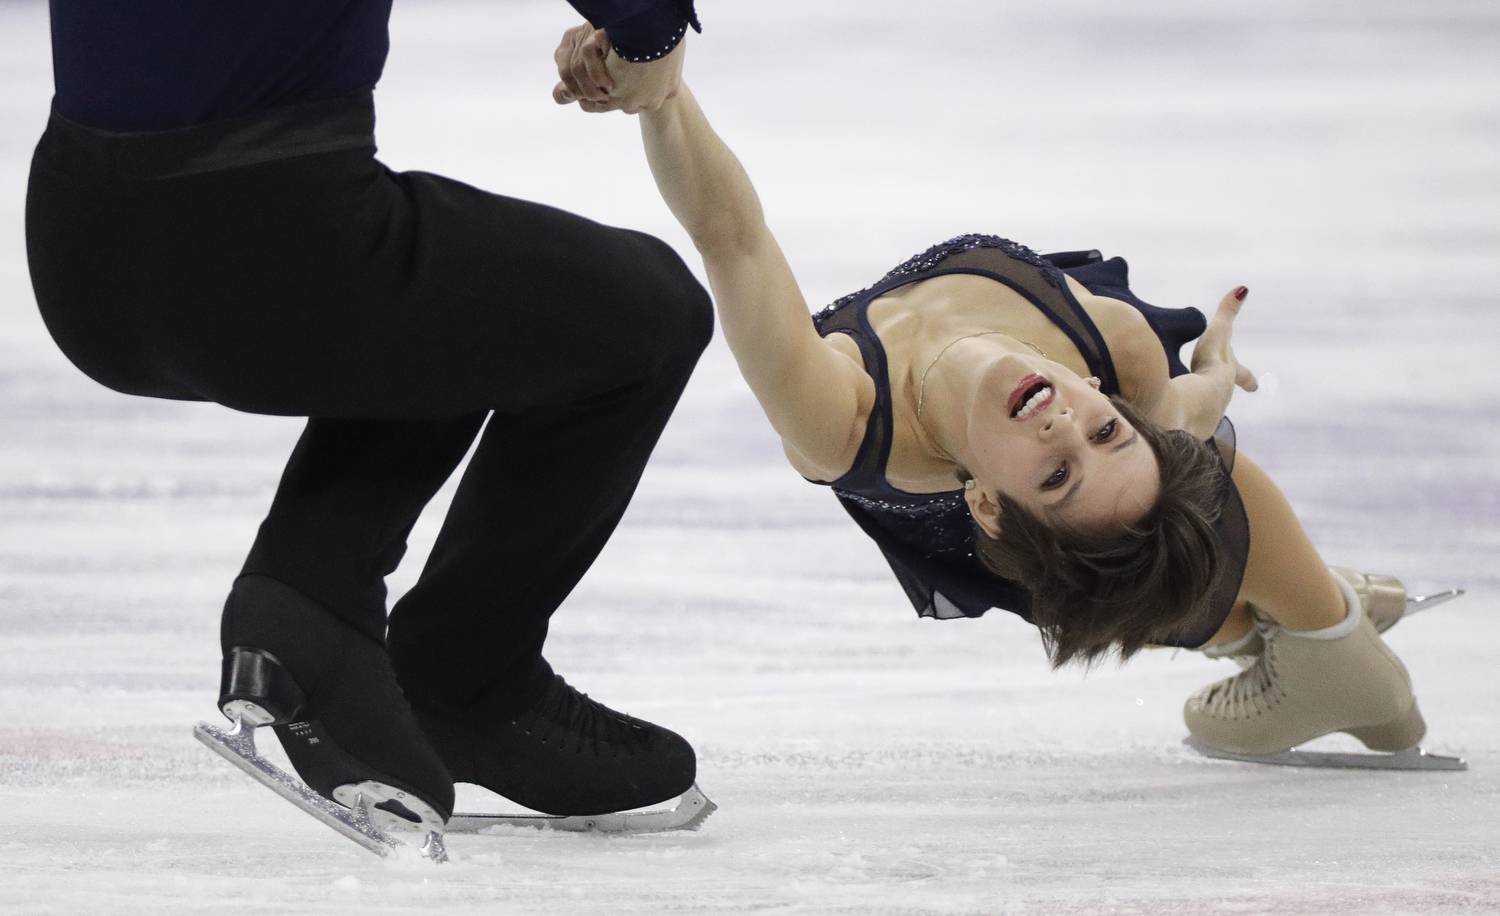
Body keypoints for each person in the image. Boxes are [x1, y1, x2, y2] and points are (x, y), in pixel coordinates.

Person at [550, 21, 1447, 766]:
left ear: (985, 500)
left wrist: (655, 88)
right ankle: (1281, 620)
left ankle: (1336, 658)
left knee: (1132, 546)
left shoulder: (840, 421)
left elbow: (730, 238)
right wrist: (1209, 372)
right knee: (1167, 499)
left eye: (1056, 471)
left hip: (968, 521)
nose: (1066, 421)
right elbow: (1177, 419)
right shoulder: (1117, 355)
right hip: (1082, 468)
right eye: (1102, 431)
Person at [26, 0, 714, 853]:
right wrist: (648, 29)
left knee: (472, 298)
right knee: (647, 317)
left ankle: (307, 597)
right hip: (263, 239)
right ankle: (457, 675)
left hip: (79, 250)